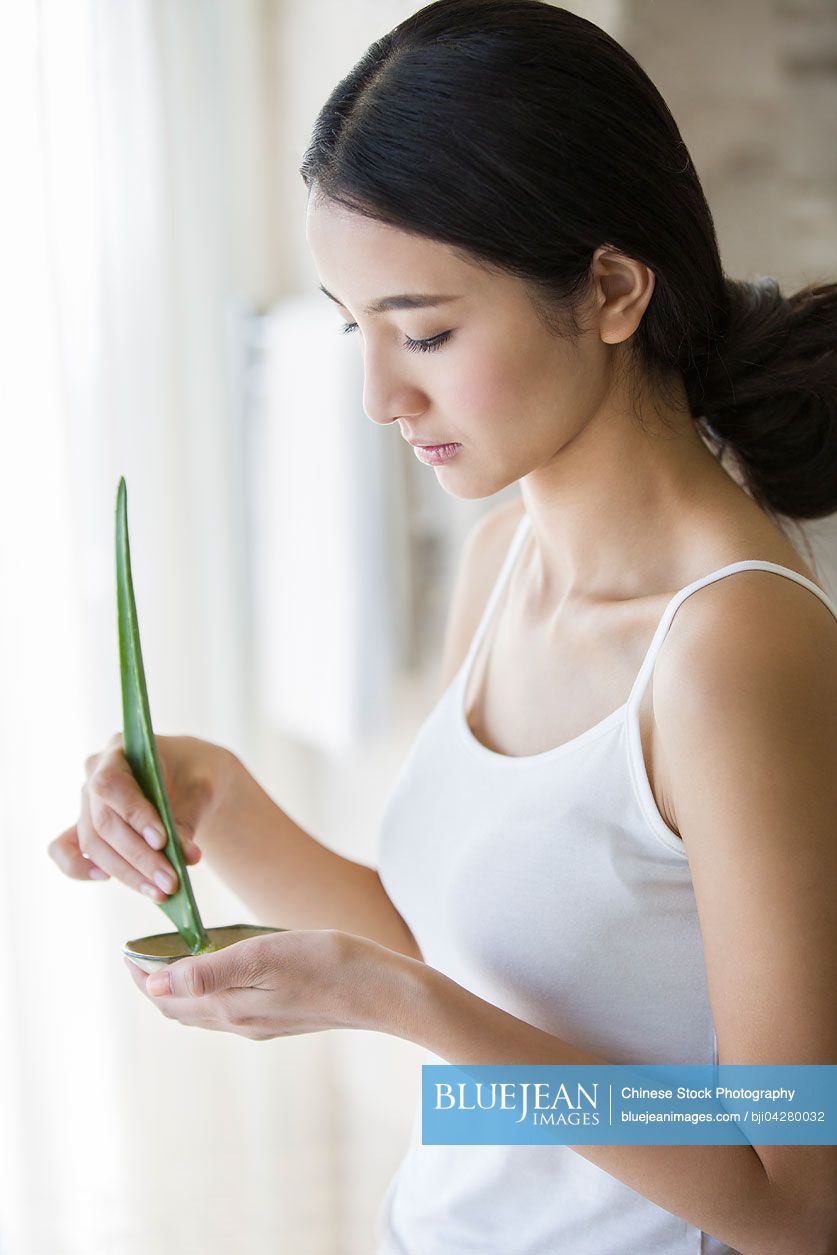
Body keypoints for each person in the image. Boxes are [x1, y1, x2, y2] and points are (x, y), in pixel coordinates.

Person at [49, 1, 837, 1252]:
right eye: (354, 326)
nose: (376, 394)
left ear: (615, 290)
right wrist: (220, 801)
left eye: (424, 330)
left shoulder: (733, 650)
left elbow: (798, 1189)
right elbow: (462, 953)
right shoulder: (501, 561)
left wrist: (403, 1008)